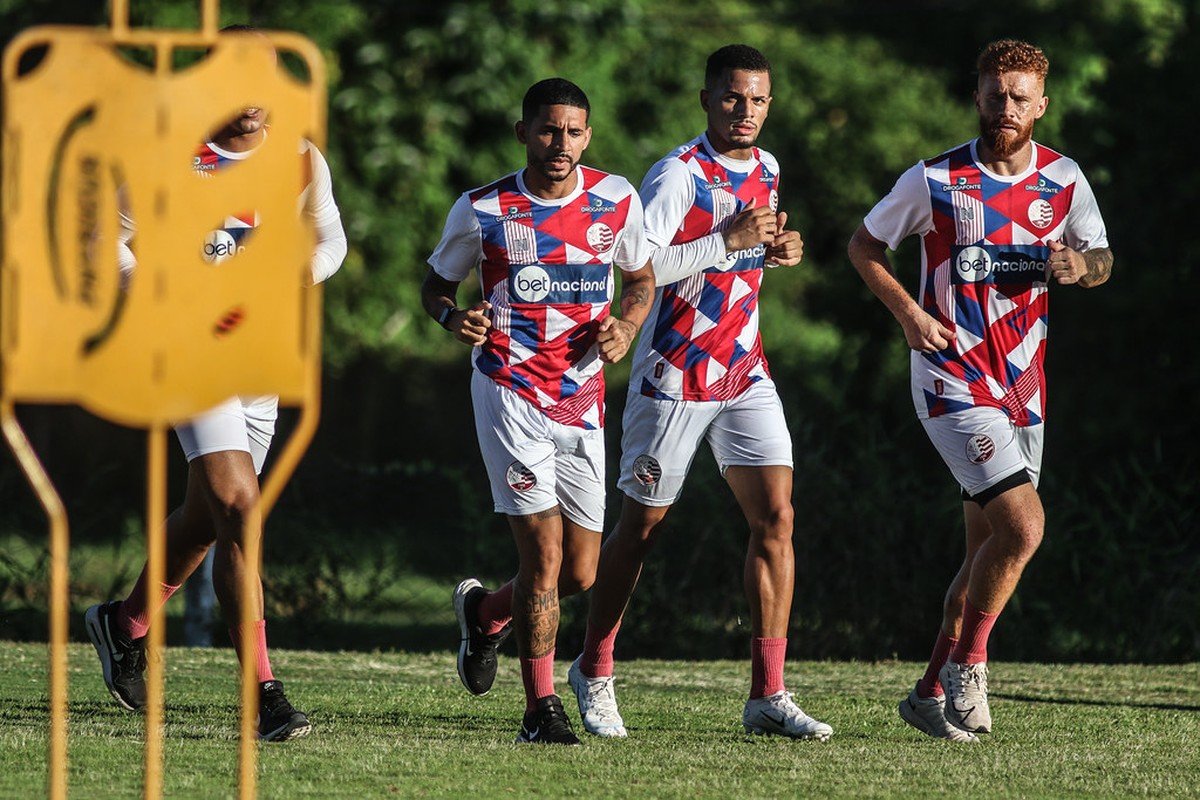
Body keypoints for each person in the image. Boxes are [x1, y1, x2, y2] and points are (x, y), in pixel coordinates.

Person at [561, 44, 832, 742]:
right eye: (734, 97)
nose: (746, 110)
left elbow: (744, 253)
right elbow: (638, 268)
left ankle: (768, 694)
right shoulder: (677, 174)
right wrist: (727, 239)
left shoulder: (769, 167)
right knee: (641, 528)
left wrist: (776, 250)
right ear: (707, 99)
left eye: (759, 99)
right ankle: (592, 668)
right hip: (675, 372)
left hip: (744, 369)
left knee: (777, 517)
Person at [84, 27, 347, 742]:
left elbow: (331, 242)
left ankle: (124, 624)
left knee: (209, 519)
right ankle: (265, 694)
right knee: (240, 506)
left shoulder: (300, 157)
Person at [847, 39, 1112, 742]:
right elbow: (863, 246)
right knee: (1025, 528)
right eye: (995, 94)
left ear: (1041, 104)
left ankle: (927, 692)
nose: (1006, 107)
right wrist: (910, 315)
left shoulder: (1064, 177)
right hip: (952, 379)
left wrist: (1080, 267)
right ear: (978, 97)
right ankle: (970, 668)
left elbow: (1102, 257)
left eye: (1019, 97)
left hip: (1023, 386)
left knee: (986, 555)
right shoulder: (935, 179)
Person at [423, 78, 654, 745]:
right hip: (509, 390)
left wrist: (627, 326)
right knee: (544, 556)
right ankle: (540, 710)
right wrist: (454, 318)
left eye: (574, 131)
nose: (561, 143)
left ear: (588, 136)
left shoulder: (617, 198)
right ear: (523, 132)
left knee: (579, 570)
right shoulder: (483, 208)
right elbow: (436, 287)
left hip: (581, 398)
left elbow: (640, 278)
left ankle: (485, 615)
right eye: (549, 130)